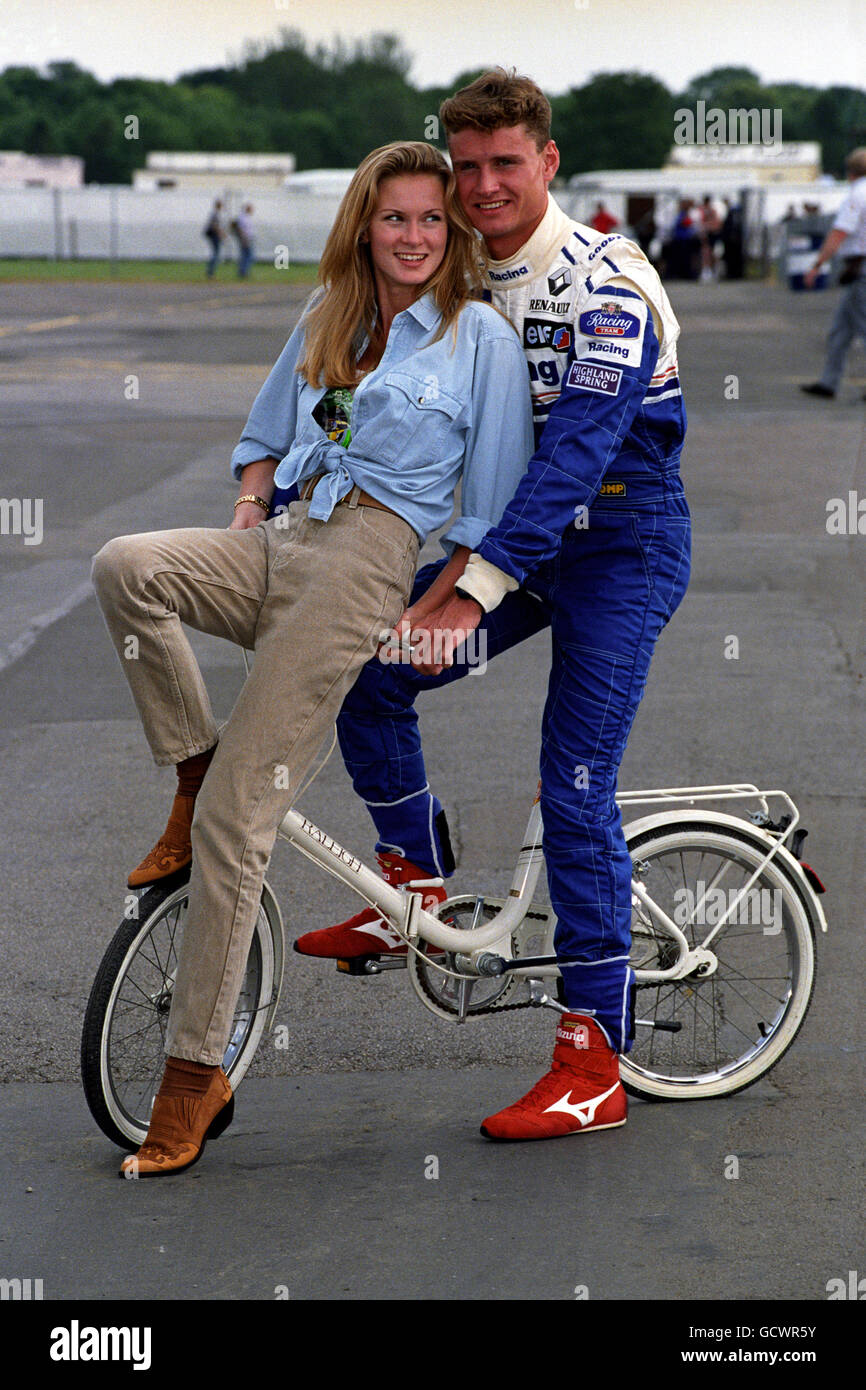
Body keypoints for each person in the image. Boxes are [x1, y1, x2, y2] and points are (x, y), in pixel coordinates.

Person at [90, 140, 534, 1176]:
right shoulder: (330, 312)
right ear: (363, 225)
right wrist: (250, 511)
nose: (415, 236)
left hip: (363, 567)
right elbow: (261, 434)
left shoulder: (478, 342)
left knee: (241, 819)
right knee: (127, 565)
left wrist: (433, 602)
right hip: (278, 540)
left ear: (451, 229)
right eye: (395, 219)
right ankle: (189, 767)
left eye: (432, 219)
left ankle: (194, 1073)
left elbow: (493, 506)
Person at [294, 70, 691, 1142]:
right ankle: (411, 889)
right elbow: (368, 386)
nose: (479, 187)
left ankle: (593, 1061)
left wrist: (467, 594)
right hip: (512, 541)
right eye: (463, 166)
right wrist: (293, 491)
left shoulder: (609, 279)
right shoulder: (459, 280)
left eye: (502, 163)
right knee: (371, 674)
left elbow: (570, 458)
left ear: (546, 162)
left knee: (572, 786)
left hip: (622, 536)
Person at [800, 147, 866, 401]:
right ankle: (829, 382)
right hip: (857, 270)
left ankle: (829, 382)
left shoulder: (856, 194)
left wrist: (817, 264)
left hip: (859, 268)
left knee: (860, 327)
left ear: (851, 170)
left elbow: (839, 232)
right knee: (840, 330)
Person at [202, 198, 225, 277]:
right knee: (216, 254)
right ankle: (210, 272)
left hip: (214, 235)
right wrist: (220, 234)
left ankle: (210, 271)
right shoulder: (215, 214)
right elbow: (214, 226)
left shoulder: (215, 214)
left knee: (215, 253)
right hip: (214, 236)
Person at [232, 203, 255, 278]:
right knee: (248, 255)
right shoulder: (243, 218)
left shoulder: (246, 217)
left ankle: (243, 271)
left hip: (248, 238)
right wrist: (244, 238)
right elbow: (240, 229)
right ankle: (243, 272)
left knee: (245, 255)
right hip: (245, 238)